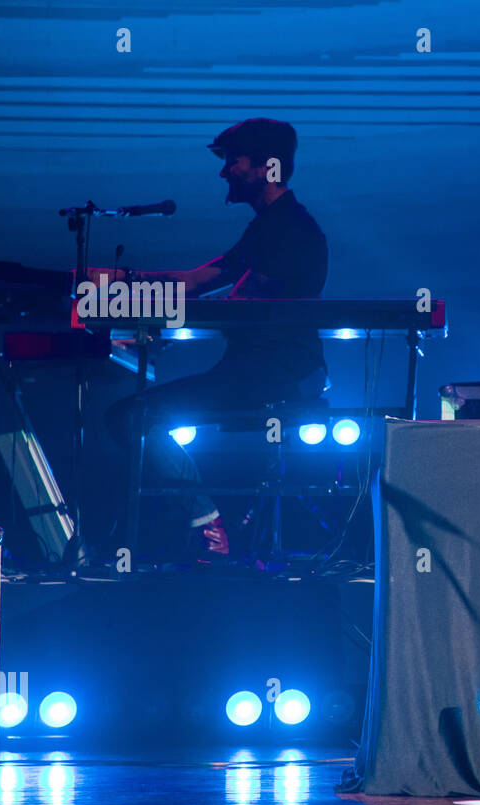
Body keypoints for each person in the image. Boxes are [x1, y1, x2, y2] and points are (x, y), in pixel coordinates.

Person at [101, 118, 329, 558]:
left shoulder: (292, 230)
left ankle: (207, 528)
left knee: (133, 417)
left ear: (268, 168)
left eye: (233, 161)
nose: (224, 172)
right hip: (257, 371)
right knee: (134, 417)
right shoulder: (270, 225)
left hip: (273, 376)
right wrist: (120, 281)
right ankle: (194, 526)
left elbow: (235, 303)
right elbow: (197, 281)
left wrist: (151, 327)